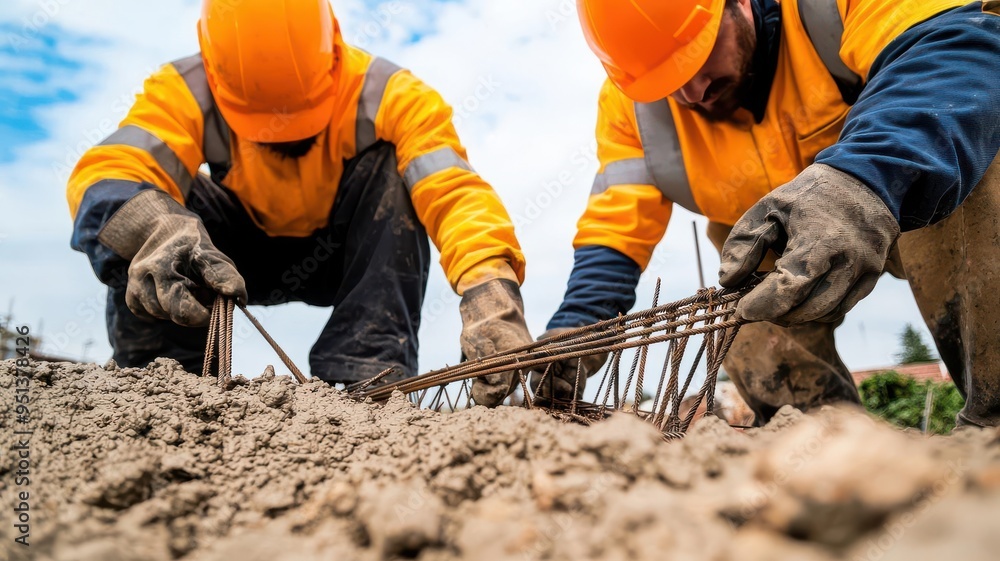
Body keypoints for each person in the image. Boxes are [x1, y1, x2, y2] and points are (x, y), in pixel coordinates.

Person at [538, 0, 1000, 425]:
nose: (694, 92)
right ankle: (823, 453)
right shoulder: (630, 108)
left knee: (980, 168)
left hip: (908, 189)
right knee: (746, 318)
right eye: (668, 84)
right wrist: (573, 331)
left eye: (698, 57)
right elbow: (617, 226)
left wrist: (862, 179)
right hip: (770, 243)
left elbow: (953, 55)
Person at [66, 0, 532, 406]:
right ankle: (162, 382)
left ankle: (365, 375)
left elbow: (453, 193)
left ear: (333, 56)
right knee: (151, 198)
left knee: (398, 173)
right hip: (218, 257)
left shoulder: (393, 95)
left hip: (341, 254)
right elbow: (110, 172)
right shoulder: (185, 89)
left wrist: (489, 286)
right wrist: (154, 230)